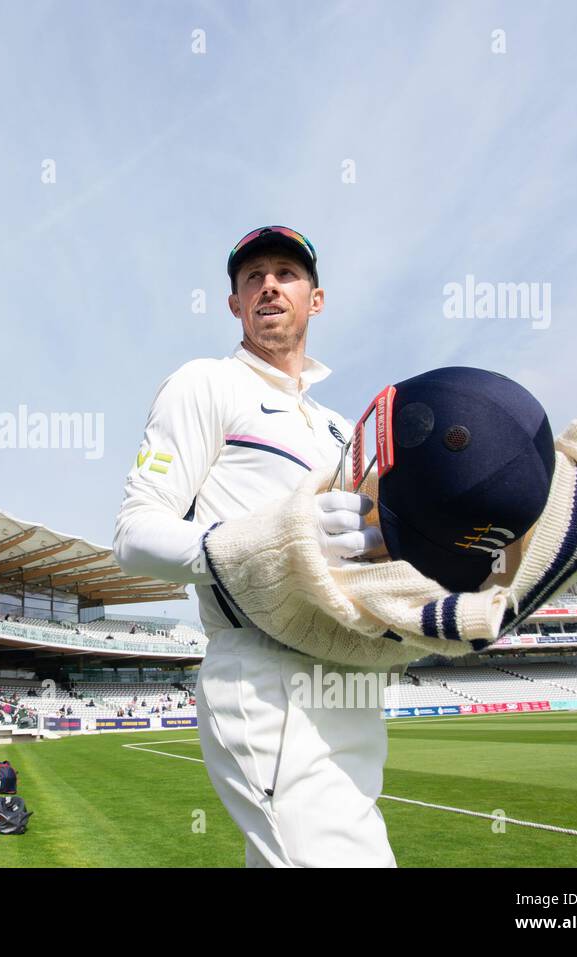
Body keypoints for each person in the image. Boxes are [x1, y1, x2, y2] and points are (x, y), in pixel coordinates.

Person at [114, 225, 392, 868]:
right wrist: (270, 541)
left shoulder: (339, 428)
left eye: (286, 274)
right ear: (235, 303)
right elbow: (135, 535)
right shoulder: (206, 383)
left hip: (349, 674)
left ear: (315, 300)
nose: (269, 284)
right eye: (252, 277)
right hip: (267, 672)